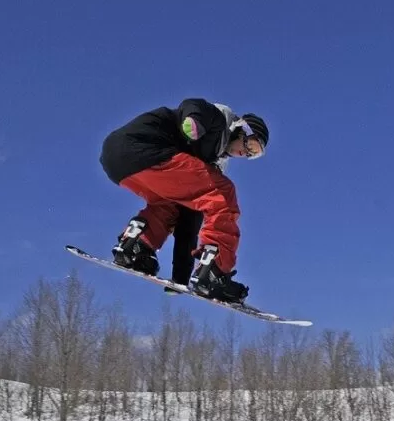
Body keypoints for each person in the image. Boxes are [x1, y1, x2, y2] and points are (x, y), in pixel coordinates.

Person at [98, 97, 269, 303]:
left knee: (171, 206)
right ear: (241, 129)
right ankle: (215, 272)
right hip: (145, 146)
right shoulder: (219, 122)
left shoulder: (204, 164)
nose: (246, 153)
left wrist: (179, 280)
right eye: (251, 144)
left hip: (117, 158)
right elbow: (195, 105)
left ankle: (136, 247)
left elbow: (189, 222)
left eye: (254, 154)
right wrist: (194, 122)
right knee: (223, 192)